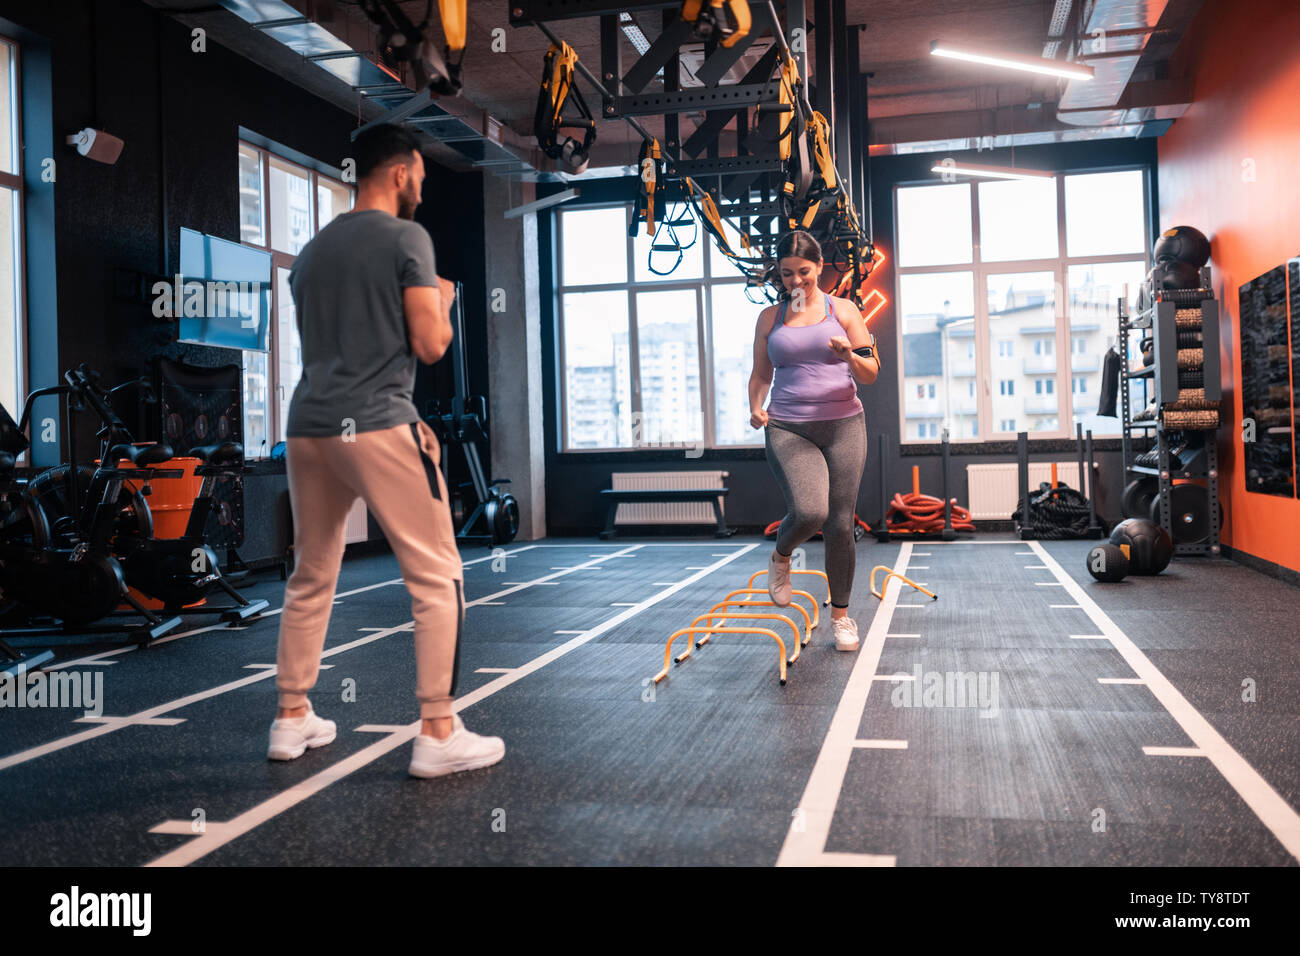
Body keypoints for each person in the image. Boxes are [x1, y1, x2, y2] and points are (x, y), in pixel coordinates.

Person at [267, 124, 504, 778]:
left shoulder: (312, 250)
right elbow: (429, 345)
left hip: (310, 428)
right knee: (438, 574)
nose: (424, 188)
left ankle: (291, 717)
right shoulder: (408, 239)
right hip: (374, 425)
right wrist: (447, 304)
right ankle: (438, 730)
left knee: (311, 572)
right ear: (401, 173)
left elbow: (343, 349)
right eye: (421, 175)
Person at [748, 229, 879, 651]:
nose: (796, 281)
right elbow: (761, 374)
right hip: (788, 426)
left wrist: (848, 358)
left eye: (804, 272)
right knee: (808, 511)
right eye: (786, 274)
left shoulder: (843, 310)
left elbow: (871, 371)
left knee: (840, 523)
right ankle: (781, 554)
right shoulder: (771, 317)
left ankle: (841, 616)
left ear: (820, 267)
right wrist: (755, 405)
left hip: (844, 425)